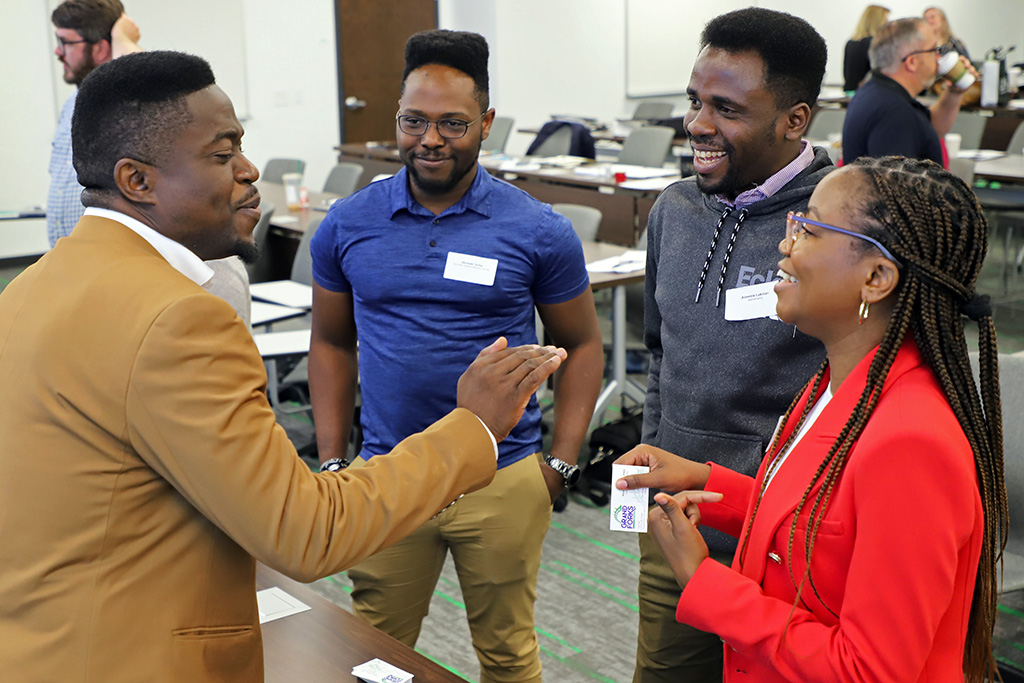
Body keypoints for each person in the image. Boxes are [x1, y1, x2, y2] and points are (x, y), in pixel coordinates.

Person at [0, 50, 569, 682]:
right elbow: (305, 532)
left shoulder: (32, 286)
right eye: (221, 155)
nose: (248, 172)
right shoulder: (178, 319)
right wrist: (476, 425)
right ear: (137, 180)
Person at [617, 155, 1007, 682]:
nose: (784, 245)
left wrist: (702, 581)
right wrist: (708, 483)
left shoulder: (911, 443)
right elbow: (823, 524)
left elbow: (869, 670)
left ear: (876, 277)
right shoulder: (836, 384)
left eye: (809, 229)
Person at [308, 29, 604, 683]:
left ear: (486, 124)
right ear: (396, 120)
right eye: (415, 121)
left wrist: (559, 461)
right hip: (388, 476)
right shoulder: (348, 223)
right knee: (372, 654)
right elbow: (330, 341)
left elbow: (582, 343)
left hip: (499, 478)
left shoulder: (536, 228)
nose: (431, 139)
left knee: (507, 654)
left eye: (452, 123)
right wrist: (334, 461)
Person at [634, 8, 833, 682]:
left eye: (726, 108)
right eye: (695, 100)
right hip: (675, 524)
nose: (697, 124)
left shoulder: (838, 225)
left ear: (794, 119)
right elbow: (658, 353)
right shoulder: (673, 210)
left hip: (785, 541)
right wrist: (644, 497)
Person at [48, 0, 141, 247]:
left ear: (100, 49)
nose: (58, 52)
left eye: (65, 42)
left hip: (110, 258)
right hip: (67, 260)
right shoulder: (71, 104)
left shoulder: (128, 100)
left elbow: (143, 77)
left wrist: (122, 37)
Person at [842, 17, 975, 166]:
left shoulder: (875, 93)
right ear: (912, 62)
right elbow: (896, 185)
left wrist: (954, 91)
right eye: (934, 50)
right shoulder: (894, 111)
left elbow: (932, 128)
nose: (938, 58)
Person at [843, 5, 890, 91]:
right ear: (877, 22)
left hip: (850, 92)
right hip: (866, 92)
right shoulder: (874, 43)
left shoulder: (851, 42)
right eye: (885, 20)